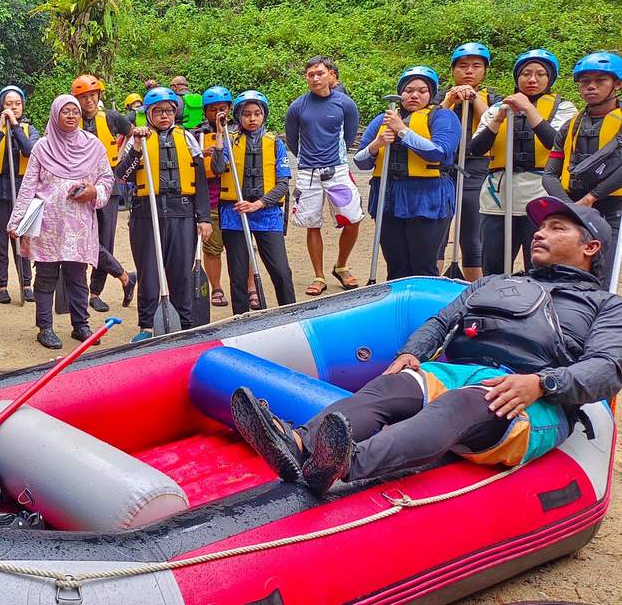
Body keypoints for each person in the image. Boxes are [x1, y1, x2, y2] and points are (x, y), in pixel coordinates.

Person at [232, 197, 622, 496]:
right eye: (541, 227)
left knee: (464, 403)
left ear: (590, 248)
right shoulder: (495, 283)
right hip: (458, 372)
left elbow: (607, 367)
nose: (539, 233)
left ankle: (341, 463)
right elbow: (441, 322)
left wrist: (541, 383)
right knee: (392, 386)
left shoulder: (607, 304)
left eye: (557, 229)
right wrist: (411, 353)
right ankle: (298, 443)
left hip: (531, 397)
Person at [8, 94, 115, 349]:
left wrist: (94, 192)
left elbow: (107, 179)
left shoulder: (94, 145)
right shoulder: (42, 148)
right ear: (55, 115)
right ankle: (44, 328)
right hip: (47, 226)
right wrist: (16, 221)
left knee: (77, 276)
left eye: (74, 111)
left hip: (79, 226)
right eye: (65, 111)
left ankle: (81, 326)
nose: (70, 115)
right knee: (45, 276)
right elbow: (28, 186)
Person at [114, 87, 211, 342]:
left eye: (169, 110)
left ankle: (186, 323)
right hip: (147, 215)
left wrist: (203, 217)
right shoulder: (137, 139)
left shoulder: (187, 138)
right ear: (148, 114)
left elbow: (200, 180)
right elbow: (122, 175)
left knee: (180, 272)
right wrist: (136, 146)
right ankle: (146, 325)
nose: (164, 116)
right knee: (148, 272)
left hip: (182, 213)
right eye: (158, 111)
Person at [469, 49, 576, 275]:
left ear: (550, 79)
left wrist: (528, 108)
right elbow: (476, 149)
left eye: (540, 74)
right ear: (517, 77)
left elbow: (554, 143)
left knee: (540, 264)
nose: (532, 79)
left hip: (539, 194)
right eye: (526, 73)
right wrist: (497, 119)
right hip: (498, 196)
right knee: (494, 266)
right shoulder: (497, 109)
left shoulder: (564, 108)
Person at [354, 67, 461, 279]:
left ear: (431, 94)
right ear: (400, 92)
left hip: (428, 197)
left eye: (422, 91)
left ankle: (425, 310)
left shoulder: (443, 117)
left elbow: (438, 152)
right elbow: (360, 162)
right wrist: (377, 144)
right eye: (409, 90)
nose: (414, 95)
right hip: (389, 196)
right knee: (396, 266)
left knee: (423, 265)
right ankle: (397, 307)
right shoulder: (382, 120)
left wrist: (402, 130)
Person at [284, 56, 364, 295]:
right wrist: (309, 160)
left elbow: (350, 135)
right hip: (308, 172)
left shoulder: (345, 104)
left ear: (330, 75)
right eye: (310, 74)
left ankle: (341, 265)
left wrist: (333, 156)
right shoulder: (297, 106)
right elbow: (292, 140)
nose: (315, 78)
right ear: (306, 78)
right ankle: (318, 276)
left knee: (353, 218)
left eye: (320, 73)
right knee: (312, 224)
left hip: (337, 169)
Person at [544, 52, 622, 286]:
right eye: (585, 81)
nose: (591, 86)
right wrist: (568, 205)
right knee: (565, 274)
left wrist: (591, 198)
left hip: (610, 207)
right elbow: (549, 174)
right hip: (573, 205)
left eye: (600, 80)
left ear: (617, 84)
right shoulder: (571, 125)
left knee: (602, 277)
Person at [214, 91, 296, 313]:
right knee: (238, 274)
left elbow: (282, 184)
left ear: (264, 115)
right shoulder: (230, 142)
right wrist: (220, 136)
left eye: (257, 113)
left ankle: (290, 314)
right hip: (235, 213)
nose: (252, 118)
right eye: (247, 114)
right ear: (238, 117)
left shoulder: (275, 143)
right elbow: (217, 169)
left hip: (266, 213)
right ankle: (240, 318)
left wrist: (258, 203)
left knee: (281, 271)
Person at [71, 74, 137, 312]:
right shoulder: (71, 119)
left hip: (108, 185)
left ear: (99, 95)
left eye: (92, 95)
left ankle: (95, 292)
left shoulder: (111, 118)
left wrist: (122, 158)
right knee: (86, 238)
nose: (88, 101)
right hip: (79, 188)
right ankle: (124, 276)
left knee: (105, 239)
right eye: (83, 97)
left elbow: (132, 132)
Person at [435, 43, 501, 281]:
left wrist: (474, 99)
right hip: (442, 170)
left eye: (476, 66)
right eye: (462, 66)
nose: (469, 72)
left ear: (484, 71)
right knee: (437, 236)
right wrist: (451, 100)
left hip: (477, 169)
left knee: (473, 239)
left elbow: (493, 123)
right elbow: (430, 122)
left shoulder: (493, 98)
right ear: (453, 70)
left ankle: (476, 295)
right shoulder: (439, 96)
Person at [0, 86, 39, 304]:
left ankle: (26, 284)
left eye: (17, 104)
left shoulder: (30, 130)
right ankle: (2, 285)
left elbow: (29, 151)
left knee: (24, 239)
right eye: (8, 104)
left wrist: (14, 126)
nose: (13, 107)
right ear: (1, 107)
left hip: (23, 191)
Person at [200, 86, 253, 308]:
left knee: (245, 246)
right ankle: (216, 287)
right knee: (212, 248)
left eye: (222, 108)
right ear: (206, 112)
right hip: (212, 199)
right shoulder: (198, 134)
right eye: (213, 110)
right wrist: (204, 153)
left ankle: (251, 287)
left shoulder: (241, 132)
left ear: (230, 109)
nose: (218, 113)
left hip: (236, 198)